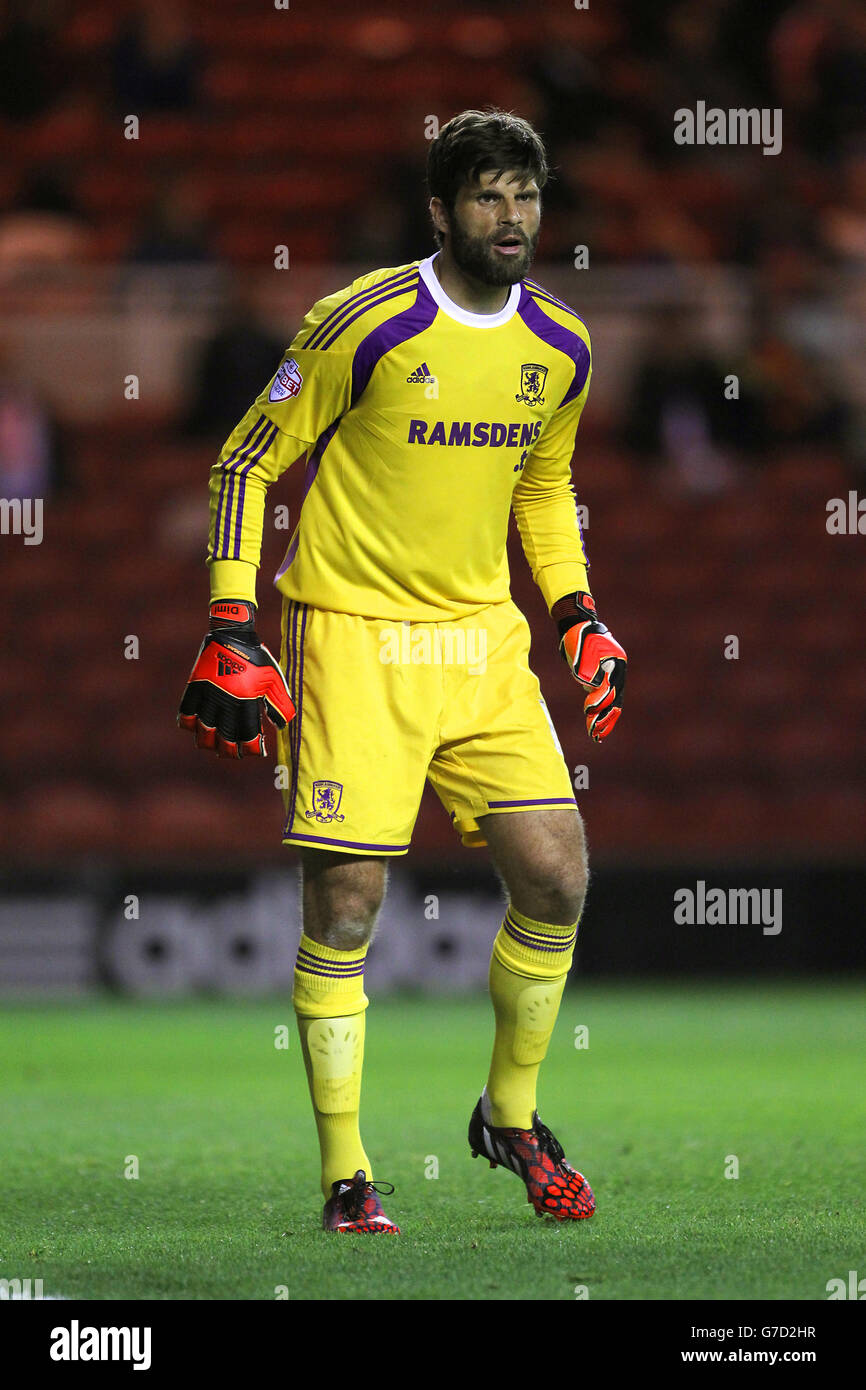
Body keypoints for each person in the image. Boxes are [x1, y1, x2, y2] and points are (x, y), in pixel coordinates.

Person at [178, 109, 627, 1234]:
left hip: (481, 641)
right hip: (351, 632)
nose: (510, 215)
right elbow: (247, 458)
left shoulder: (561, 347)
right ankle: (346, 1172)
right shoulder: (362, 321)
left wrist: (573, 612)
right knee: (347, 901)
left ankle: (508, 1115)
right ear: (440, 210)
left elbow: (541, 488)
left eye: (524, 194)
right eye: (485, 195)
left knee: (557, 875)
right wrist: (233, 622)